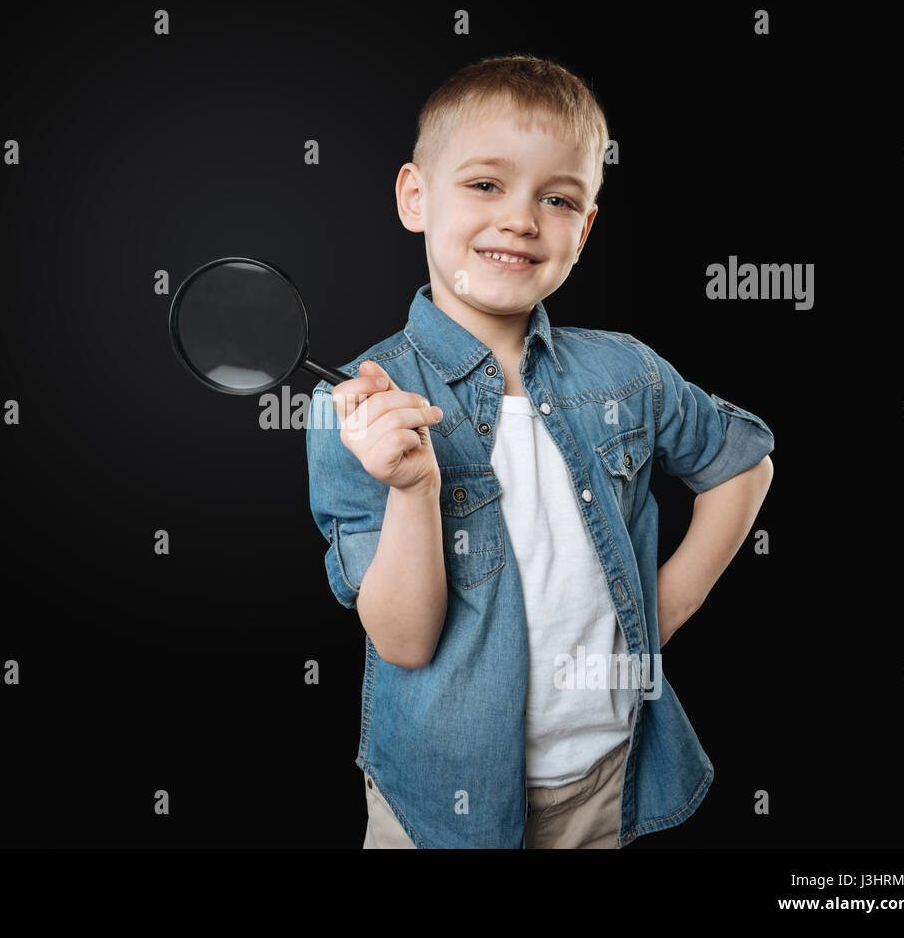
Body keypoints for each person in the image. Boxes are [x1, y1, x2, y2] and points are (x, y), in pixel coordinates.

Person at [305, 54, 775, 848]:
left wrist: (665, 610)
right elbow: (405, 640)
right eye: (486, 184)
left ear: (584, 228)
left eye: (557, 198)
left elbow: (745, 461)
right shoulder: (355, 405)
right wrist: (414, 486)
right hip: (438, 798)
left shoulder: (626, 370)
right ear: (415, 197)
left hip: (606, 775)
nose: (521, 218)